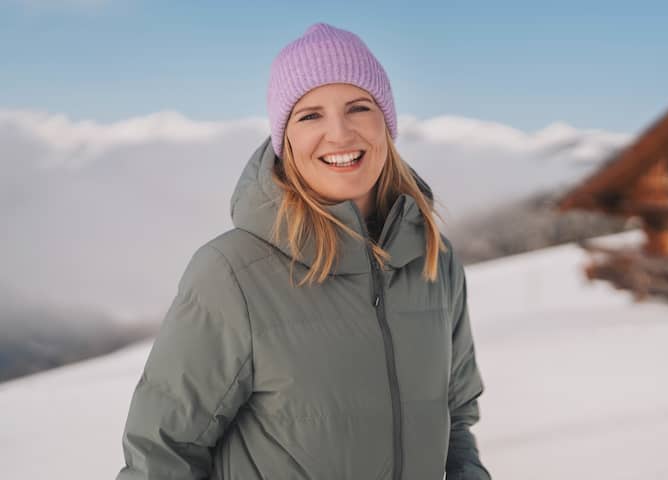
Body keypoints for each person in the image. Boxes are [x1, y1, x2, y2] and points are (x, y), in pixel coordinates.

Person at [116, 22, 490, 480]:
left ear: (386, 124)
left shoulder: (434, 259)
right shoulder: (231, 273)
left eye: (359, 108)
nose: (339, 133)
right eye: (310, 115)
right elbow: (161, 454)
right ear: (284, 138)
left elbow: (456, 419)